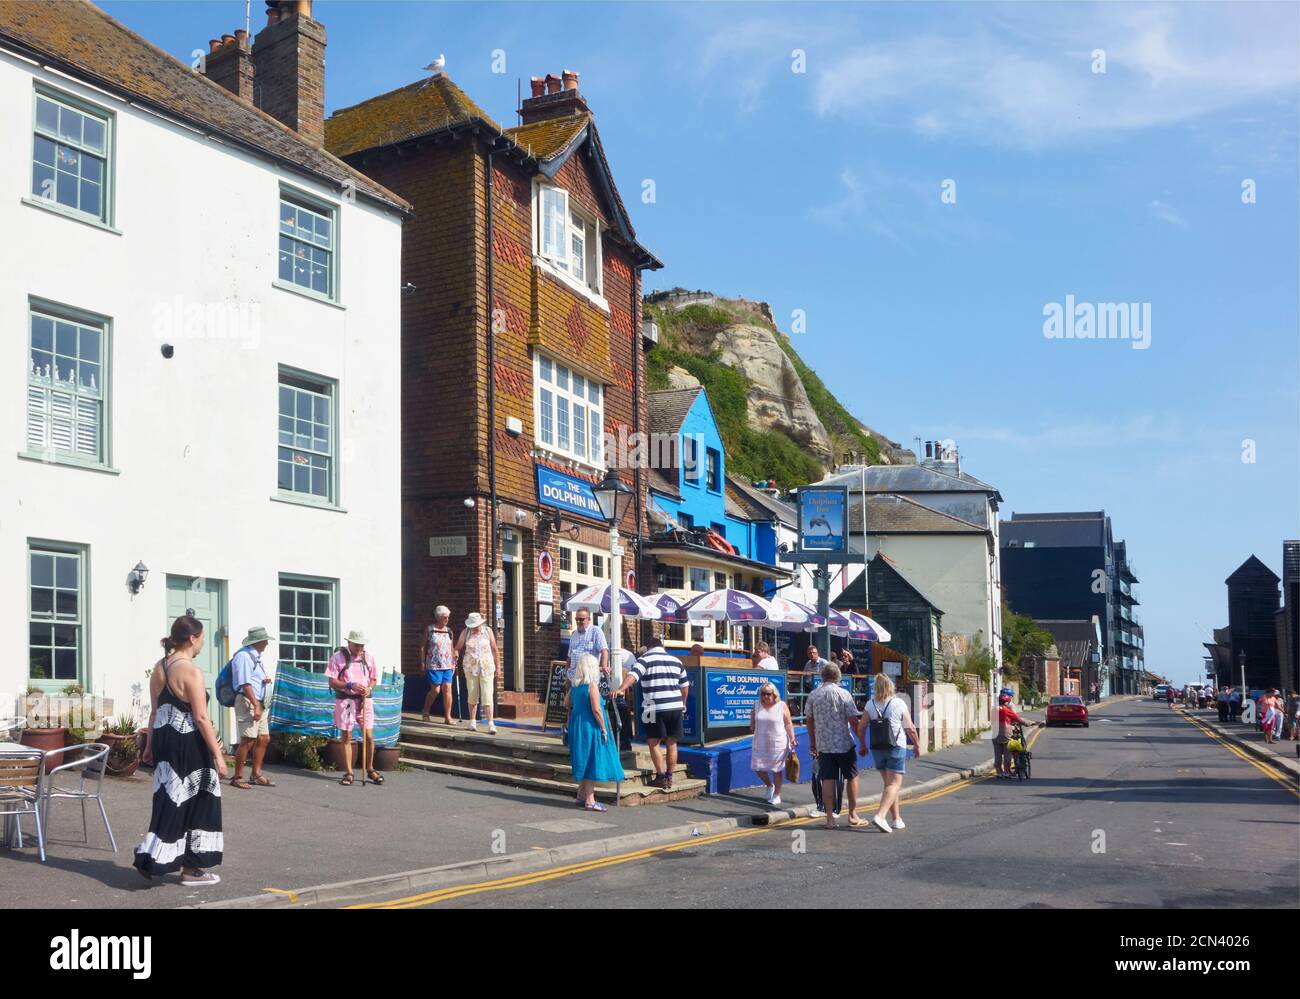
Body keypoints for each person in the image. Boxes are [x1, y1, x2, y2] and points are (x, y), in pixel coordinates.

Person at [135, 615, 225, 886]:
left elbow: (155, 712)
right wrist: (219, 755)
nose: (203, 644)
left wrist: (149, 746)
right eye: (202, 638)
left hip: (165, 741)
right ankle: (192, 870)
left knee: (169, 799)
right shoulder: (191, 671)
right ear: (192, 638)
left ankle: (152, 856)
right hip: (189, 744)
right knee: (201, 802)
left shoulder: (160, 667)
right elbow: (200, 717)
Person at [615, 628, 690, 790]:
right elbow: (685, 687)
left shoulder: (645, 659)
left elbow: (633, 676)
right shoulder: (676, 661)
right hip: (676, 706)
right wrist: (683, 703)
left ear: (647, 647)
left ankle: (661, 776)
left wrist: (621, 689)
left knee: (654, 742)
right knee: (672, 743)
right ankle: (670, 776)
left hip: (653, 706)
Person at [805, 661, 865, 829]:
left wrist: (812, 743)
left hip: (823, 745)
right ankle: (852, 815)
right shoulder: (844, 694)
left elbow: (809, 721)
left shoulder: (813, 695)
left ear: (822, 677)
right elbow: (853, 720)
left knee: (827, 780)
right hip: (844, 744)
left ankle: (830, 818)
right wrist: (862, 741)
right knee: (852, 777)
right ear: (838, 677)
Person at [859, 673, 919, 833]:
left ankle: (896, 819)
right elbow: (910, 728)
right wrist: (917, 745)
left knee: (889, 785)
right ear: (890, 686)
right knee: (894, 784)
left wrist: (862, 745)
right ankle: (880, 816)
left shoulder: (870, 704)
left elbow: (861, 726)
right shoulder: (898, 702)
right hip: (896, 747)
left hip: (877, 748)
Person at [565, 653, 624, 811]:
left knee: (583, 759)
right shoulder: (592, 686)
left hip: (576, 725)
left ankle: (581, 795)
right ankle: (590, 801)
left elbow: (566, 703)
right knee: (591, 761)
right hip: (590, 726)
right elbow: (597, 709)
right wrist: (604, 728)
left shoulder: (575, 686)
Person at [326, 630, 382, 786]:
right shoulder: (338, 657)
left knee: (369, 736)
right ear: (349, 643)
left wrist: (369, 688)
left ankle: (370, 769)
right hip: (347, 700)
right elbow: (332, 681)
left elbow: (374, 678)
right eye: (356, 645)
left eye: (361, 645)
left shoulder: (368, 657)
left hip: (365, 700)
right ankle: (349, 772)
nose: (359, 649)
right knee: (347, 736)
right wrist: (349, 685)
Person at [229, 626, 275, 790]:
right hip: (248, 702)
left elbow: (253, 680)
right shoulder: (244, 656)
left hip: (259, 702)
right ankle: (237, 776)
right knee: (248, 739)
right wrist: (255, 704)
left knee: (263, 738)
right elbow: (244, 683)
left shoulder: (255, 657)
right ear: (259, 641)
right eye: (265, 641)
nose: (267, 644)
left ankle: (256, 774)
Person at [749, 682, 795, 804]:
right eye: (763, 694)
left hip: (777, 742)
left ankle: (777, 795)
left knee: (776, 770)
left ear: (774, 694)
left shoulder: (782, 706)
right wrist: (752, 724)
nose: (765, 696)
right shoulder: (757, 705)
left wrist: (792, 738)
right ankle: (769, 785)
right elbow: (753, 717)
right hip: (760, 741)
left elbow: (788, 723)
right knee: (757, 767)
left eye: (768, 694)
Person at [457, 612, 500, 734]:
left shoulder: (488, 631)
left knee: (487, 695)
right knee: (472, 694)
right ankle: (472, 721)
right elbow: (458, 647)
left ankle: (491, 723)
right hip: (470, 667)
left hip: (486, 667)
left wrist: (499, 667)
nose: (474, 628)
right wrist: (455, 653)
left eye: (476, 625)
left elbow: (495, 649)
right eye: (472, 626)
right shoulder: (466, 632)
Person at [420, 605, 457, 724]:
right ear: (438, 617)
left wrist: (453, 662)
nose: (447, 620)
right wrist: (422, 662)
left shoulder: (449, 631)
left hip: (447, 665)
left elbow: (451, 647)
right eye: (445, 617)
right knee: (435, 690)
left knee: (447, 689)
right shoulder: (430, 629)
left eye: (448, 617)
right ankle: (425, 711)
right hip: (433, 664)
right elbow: (422, 647)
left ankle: (448, 717)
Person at [994, 693, 1040, 779]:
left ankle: (999, 772)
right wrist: (1031, 723)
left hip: (994, 733)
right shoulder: (1005, 709)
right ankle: (1006, 772)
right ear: (1006, 702)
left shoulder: (994, 709)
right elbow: (1018, 719)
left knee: (998, 754)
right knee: (1007, 753)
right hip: (1005, 732)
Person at [566, 609, 608, 684]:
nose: (578, 622)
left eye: (581, 619)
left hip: (588, 678)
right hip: (572, 677)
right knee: (571, 696)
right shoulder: (574, 634)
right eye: (576, 619)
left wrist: (604, 666)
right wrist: (566, 672)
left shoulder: (595, 631)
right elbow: (569, 656)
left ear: (589, 619)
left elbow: (604, 650)